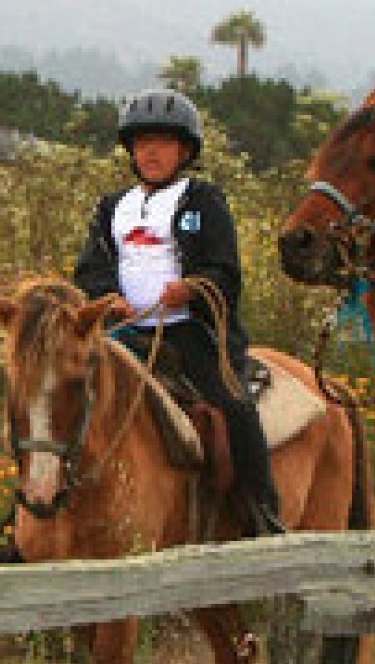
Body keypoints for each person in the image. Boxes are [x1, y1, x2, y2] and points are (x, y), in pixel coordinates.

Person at [72, 87, 281, 535]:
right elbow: (90, 268)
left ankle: (263, 512)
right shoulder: (112, 208)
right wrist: (108, 295)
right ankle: (27, 519)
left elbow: (225, 272)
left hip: (191, 336)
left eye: (163, 142)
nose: (151, 151)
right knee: (58, 395)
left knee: (234, 406)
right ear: (131, 149)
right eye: (143, 142)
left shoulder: (203, 201)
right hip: (124, 334)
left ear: (185, 150)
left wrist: (191, 289)